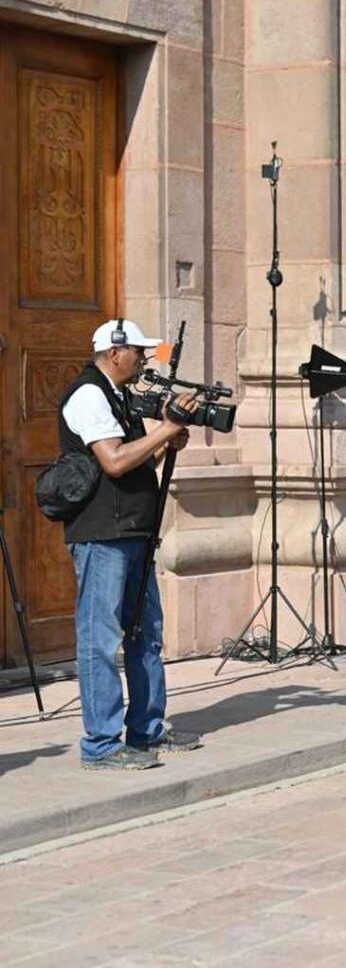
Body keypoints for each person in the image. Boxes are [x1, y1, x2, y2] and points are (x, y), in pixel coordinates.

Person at [61, 320, 201, 770]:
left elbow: (137, 459)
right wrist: (165, 429)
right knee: (100, 639)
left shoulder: (119, 396)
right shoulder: (87, 394)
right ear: (113, 353)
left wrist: (166, 441)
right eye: (138, 352)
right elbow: (115, 462)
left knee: (146, 635)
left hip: (134, 530)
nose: (143, 358)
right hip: (103, 535)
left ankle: (146, 731)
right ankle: (101, 744)